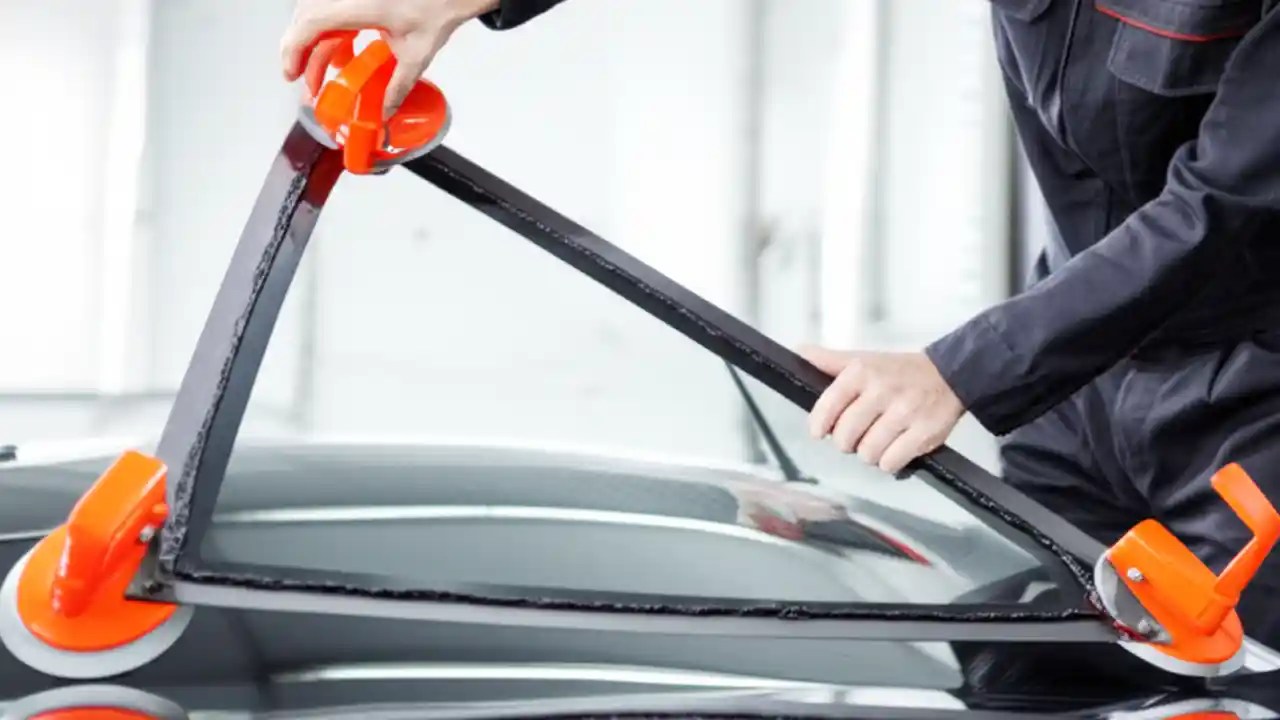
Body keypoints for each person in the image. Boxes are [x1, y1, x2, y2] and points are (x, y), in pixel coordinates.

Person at [281, 0, 1280, 645]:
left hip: (1248, 410)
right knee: (1025, 669)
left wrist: (959, 371)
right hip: (1071, 394)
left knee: (1231, 682)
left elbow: (1231, 204)